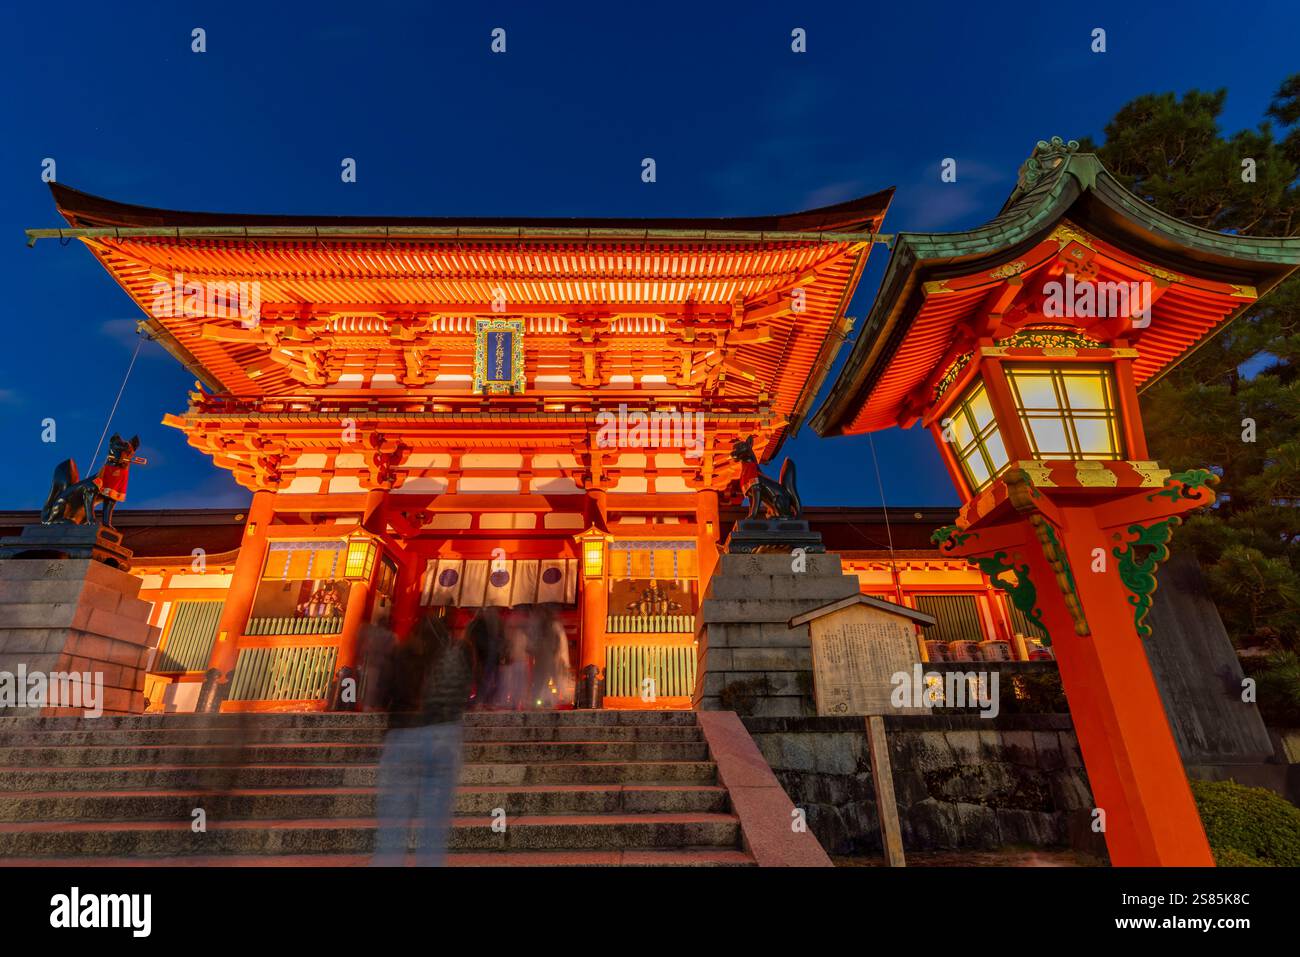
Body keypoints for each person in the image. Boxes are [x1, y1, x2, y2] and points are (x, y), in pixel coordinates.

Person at [370, 614, 473, 867]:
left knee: (392, 828)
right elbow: (467, 692)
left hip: (403, 735)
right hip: (443, 735)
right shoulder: (455, 656)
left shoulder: (399, 655)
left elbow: (379, 697)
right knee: (433, 830)